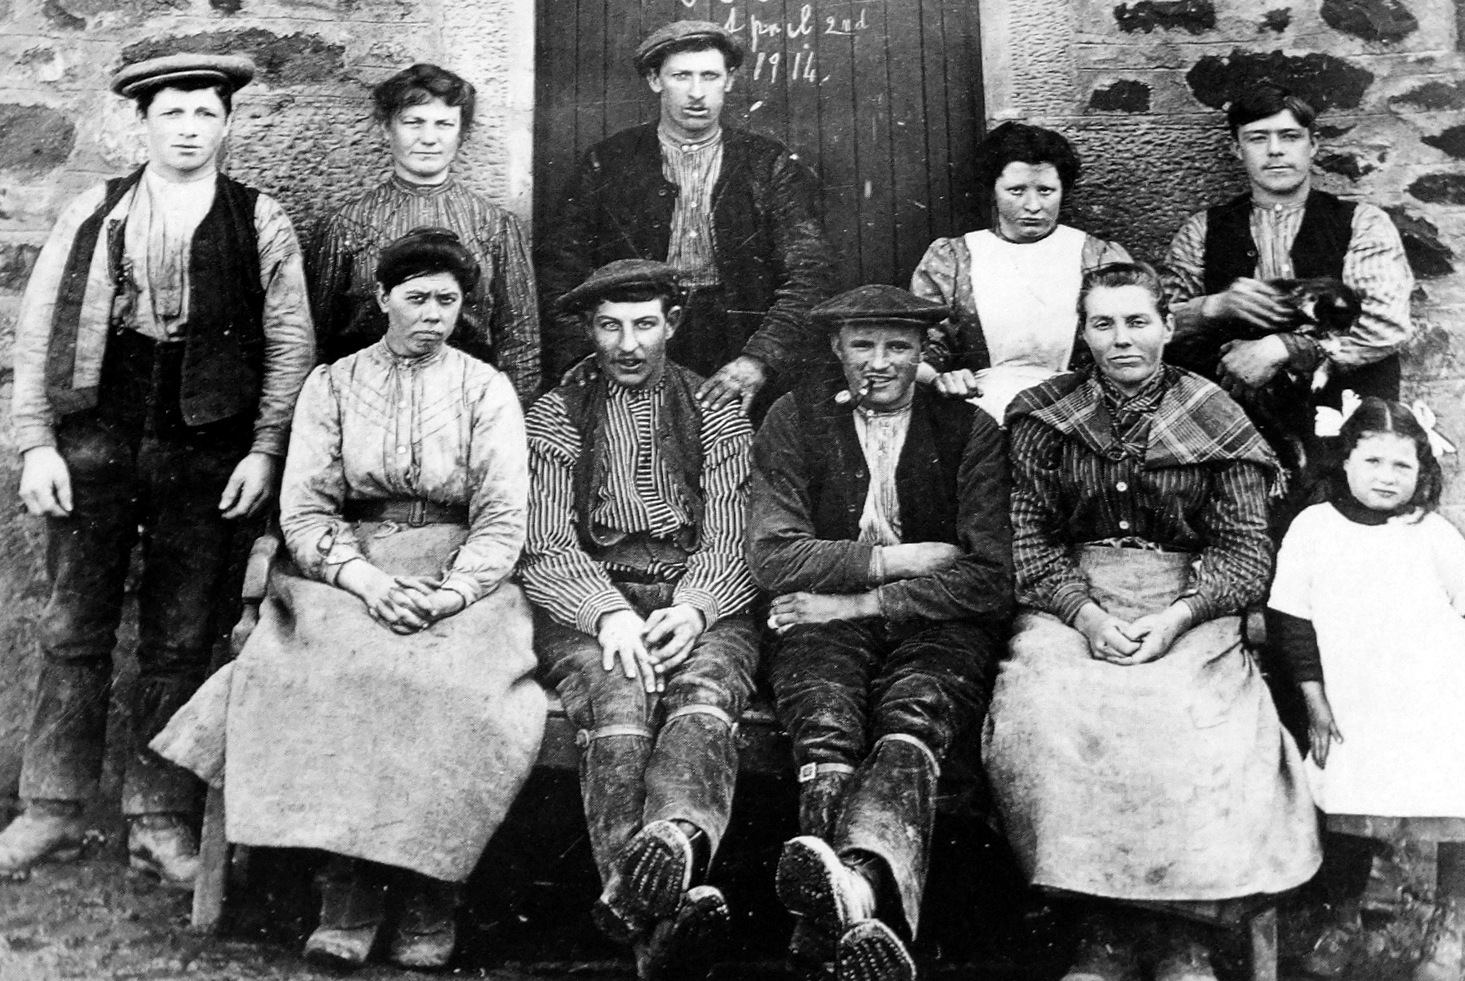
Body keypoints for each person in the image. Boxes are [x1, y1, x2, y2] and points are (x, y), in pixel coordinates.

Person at [154, 228, 543, 970]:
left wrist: (449, 591)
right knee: (343, 671)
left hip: (462, 577)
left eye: (449, 301)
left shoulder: (486, 388)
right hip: (348, 569)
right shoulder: (331, 385)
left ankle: (431, 886)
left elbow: (501, 517)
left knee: (454, 682)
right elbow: (303, 510)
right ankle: (350, 890)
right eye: (417, 298)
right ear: (382, 298)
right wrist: (367, 580)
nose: (432, 314)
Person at [2, 53, 315, 886]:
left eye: (204, 114)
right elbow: (37, 336)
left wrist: (264, 451)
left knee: (182, 635)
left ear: (225, 124)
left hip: (206, 445)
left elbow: (290, 345)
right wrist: (36, 444)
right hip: (99, 434)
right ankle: (51, 808)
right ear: (142, 123)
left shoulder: (260, 221)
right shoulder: (93, 212)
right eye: (172, 114)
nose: (188, 129)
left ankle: (159, 816)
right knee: (73, 627)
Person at [986, 263, 1320, 981]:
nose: (1121, 339)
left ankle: (1183, 935)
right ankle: (1100, 930)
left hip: (1189, 596)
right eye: (1102, 323)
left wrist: (1178, 616)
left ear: (1168, 327)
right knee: (1045, 706)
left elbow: (1242, 553)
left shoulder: (1216, 414)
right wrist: (1083, 613)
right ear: (1082, 332)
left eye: (1137, 321)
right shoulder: (1046, 414)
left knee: (1190, 717)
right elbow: (1029, 542)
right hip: (1072, 597)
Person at [747, 285, 1013, 981]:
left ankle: (847, 900)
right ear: (836, 349)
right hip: (820, 614)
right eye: (861, 344)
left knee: (913, 710)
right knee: (824, 716)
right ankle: (856, 918)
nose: (878, 361)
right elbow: (773, 555)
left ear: (923, 353)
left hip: (930, 620)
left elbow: (987, 576)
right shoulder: (795, 418)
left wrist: (855, 601)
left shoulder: (968, 430)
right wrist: (898, 558)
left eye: (897, 346)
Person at [519, 259, 760, 980]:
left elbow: (735, 528)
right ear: (589, 329)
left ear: (672, 323)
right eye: (609, 325)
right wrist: (607, 615)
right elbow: (546, 541)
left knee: (706, 689)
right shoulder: (556, 412)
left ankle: (653, 873)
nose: (627, 343)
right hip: (594, 595)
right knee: (618, 693)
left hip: (697, 592)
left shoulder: (713, 407)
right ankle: (658, 926)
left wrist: (696, 606)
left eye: (644, 323)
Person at [1267, 397, 1465, 981]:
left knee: (1458, 797)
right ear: (1344, 461)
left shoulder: (1431, 532)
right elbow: (1291, 620)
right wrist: (1315, 701)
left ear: (1422, 472)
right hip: (1355, 697)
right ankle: (1342, 918)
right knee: (1351, 797)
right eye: (1372, 461)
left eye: (1402, 466)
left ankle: (1447, 927)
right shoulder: (1314, 528)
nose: (1386, 477)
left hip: (1445, 692)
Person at [535, 20, 833, 413]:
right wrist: (582, 354)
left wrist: (760, 359)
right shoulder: (607, 162)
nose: (697, 93)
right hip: (634, 336)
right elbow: (560, 269)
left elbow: (810, 273)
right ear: (655, 80)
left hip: (740, 339)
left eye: (710, 76)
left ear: (729, 81)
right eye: (681, 76)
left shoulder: (768, 164)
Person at [1161, 84, 1414, 528]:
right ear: (1235, 148)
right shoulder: (1201, 232)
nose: (1275, 151)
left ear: (1313, 144)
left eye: (1290, 136)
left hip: (1342, 426)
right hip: (1236, 429)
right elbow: (1154, 329)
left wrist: (1283, 348)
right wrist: (1213, 307)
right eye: (1258, 138)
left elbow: (1385, 325)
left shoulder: (1361, 225)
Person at [307, 63, 542, 404]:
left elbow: (521, 342)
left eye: (444, 124)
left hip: (467, 403)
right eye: (413, 122)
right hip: (367, 400)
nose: (429, 138)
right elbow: (317, 340)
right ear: (387, 128)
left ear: (461, 133)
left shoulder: (497, 226)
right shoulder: (345, 224)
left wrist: (509, 424)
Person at [911, 121, 1130, 419]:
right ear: (993, 190)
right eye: (1016, 191)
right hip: (982, 409)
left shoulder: (1097, 256)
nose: (1033, 205)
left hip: (1082, 408)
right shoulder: (954, 259)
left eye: (1046, 191)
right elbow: (923, 349)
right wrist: (941, 379)